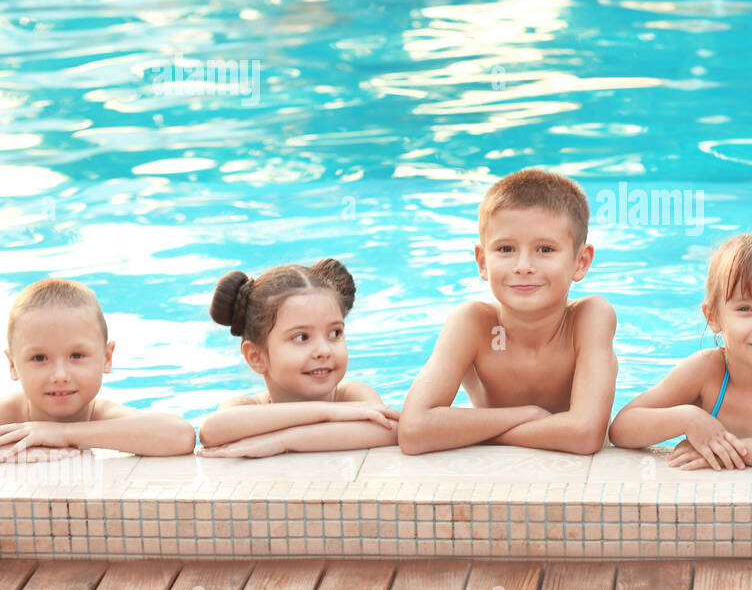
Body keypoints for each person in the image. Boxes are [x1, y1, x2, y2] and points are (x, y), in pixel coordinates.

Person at [399, 169, 616, 455]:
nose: (523, 266)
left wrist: (473, 434)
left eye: (545, 249)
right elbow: (413, 430)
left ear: (581, 261)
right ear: (482, 262)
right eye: (505, 249)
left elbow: (585, 435)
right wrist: (530, 415)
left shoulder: (590, 317)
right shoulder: (472, 323)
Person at [609, 223, 752, 473]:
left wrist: (730, 449)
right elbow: (622, 429)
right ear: (713, 317)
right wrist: (688, 419)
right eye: (745, 309)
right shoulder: (705, 372)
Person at [198, 258, 399, 457]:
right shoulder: (247, 407)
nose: (324, 350)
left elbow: (390, 430)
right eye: (301, 337)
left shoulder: (352, 394)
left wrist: (282, 441)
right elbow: (211, 431)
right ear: (256, 357)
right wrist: (328, 413)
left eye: (335, 333)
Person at [1, 279, 195, 460]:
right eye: (39, 358)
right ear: (12, 365)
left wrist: (61, 434)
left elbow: (180, 434)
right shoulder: (8, 414)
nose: (60, 376)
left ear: (107, 358)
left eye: (77, 355)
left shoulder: (101, 415)